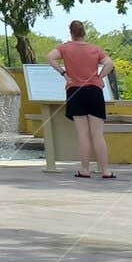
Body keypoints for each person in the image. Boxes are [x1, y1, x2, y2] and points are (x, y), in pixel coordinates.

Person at [47, 21, 115, 179]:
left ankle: (85, 169)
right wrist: (100, 76)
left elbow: (50, 57)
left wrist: (64, 74)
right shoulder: (95, 49)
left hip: (74, 90)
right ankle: (106, 170)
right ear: (84, 33)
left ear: (71, 33)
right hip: (94, 91)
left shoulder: (64, 48)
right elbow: (109, 63)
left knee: (82, 134)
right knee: (98, 134)